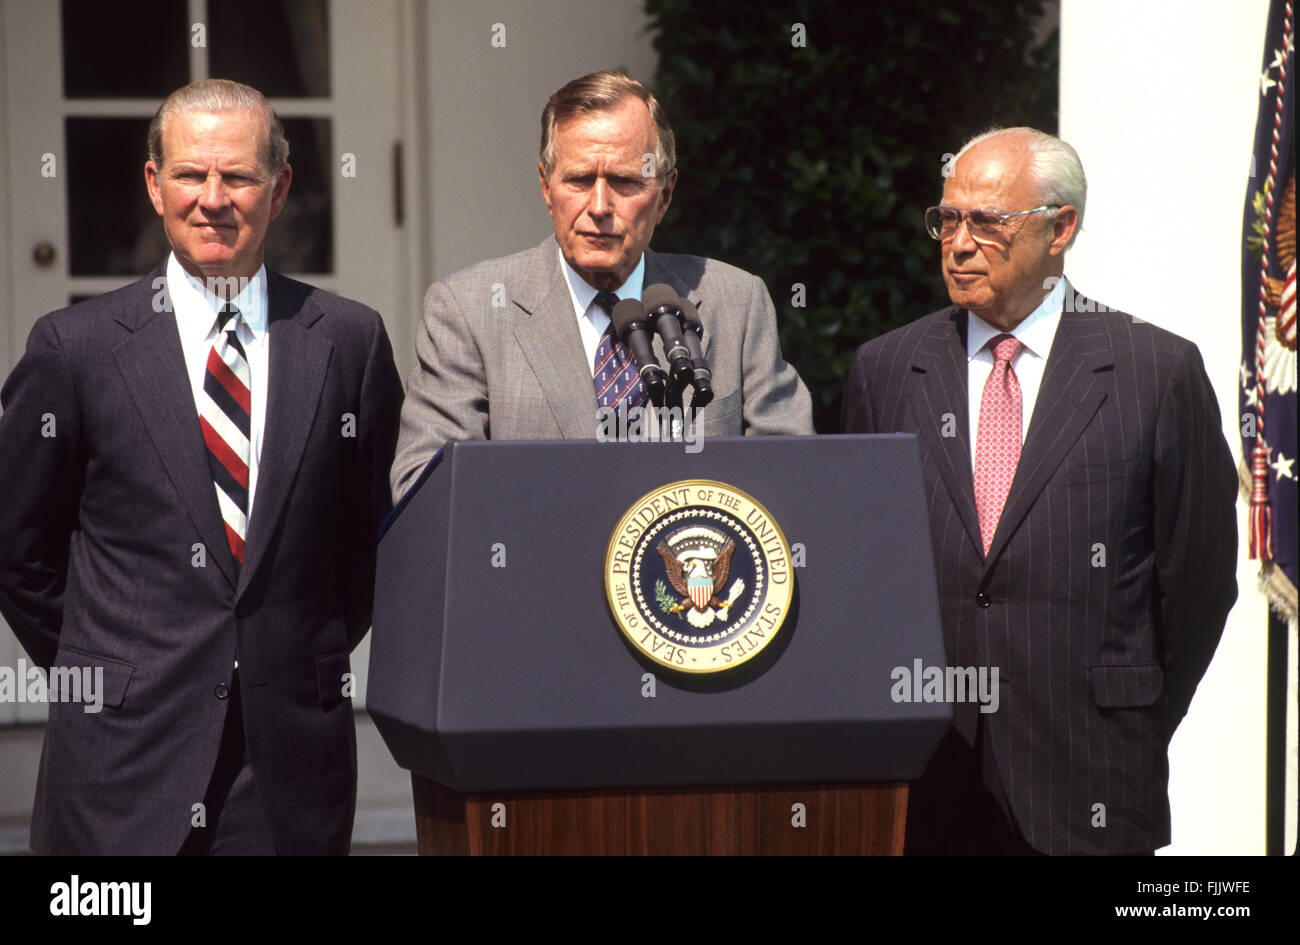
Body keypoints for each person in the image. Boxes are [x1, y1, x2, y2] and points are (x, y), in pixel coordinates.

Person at [0, 79, 403, 854]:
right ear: (155, 184)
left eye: (239, 176)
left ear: (279, 187)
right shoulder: (74, 349)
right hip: (117, 769)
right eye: (190, 174)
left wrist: (284, 649)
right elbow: (19, 550)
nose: (213, 198)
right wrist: (109, 664)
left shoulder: (349, 342)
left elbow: (371, 543)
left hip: (287, 773)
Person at [842, 127, 1237, 855]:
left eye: (987, 223)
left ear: (1061, 229)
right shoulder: (887, 368)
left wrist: (1128, 714)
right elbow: (863, 574)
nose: (958, 244)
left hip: (1089, 779)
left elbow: (1200, 584)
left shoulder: (1155, 371)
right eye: (947, 219)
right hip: (929, 788)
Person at [390, 70, 812, 498]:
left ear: (665, 194)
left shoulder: (735, 301)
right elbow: (425, 492)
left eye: (625, 182)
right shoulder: (469, 311)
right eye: (579, 180)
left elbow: (796, 477)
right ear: (546, 186)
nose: (598, 207)